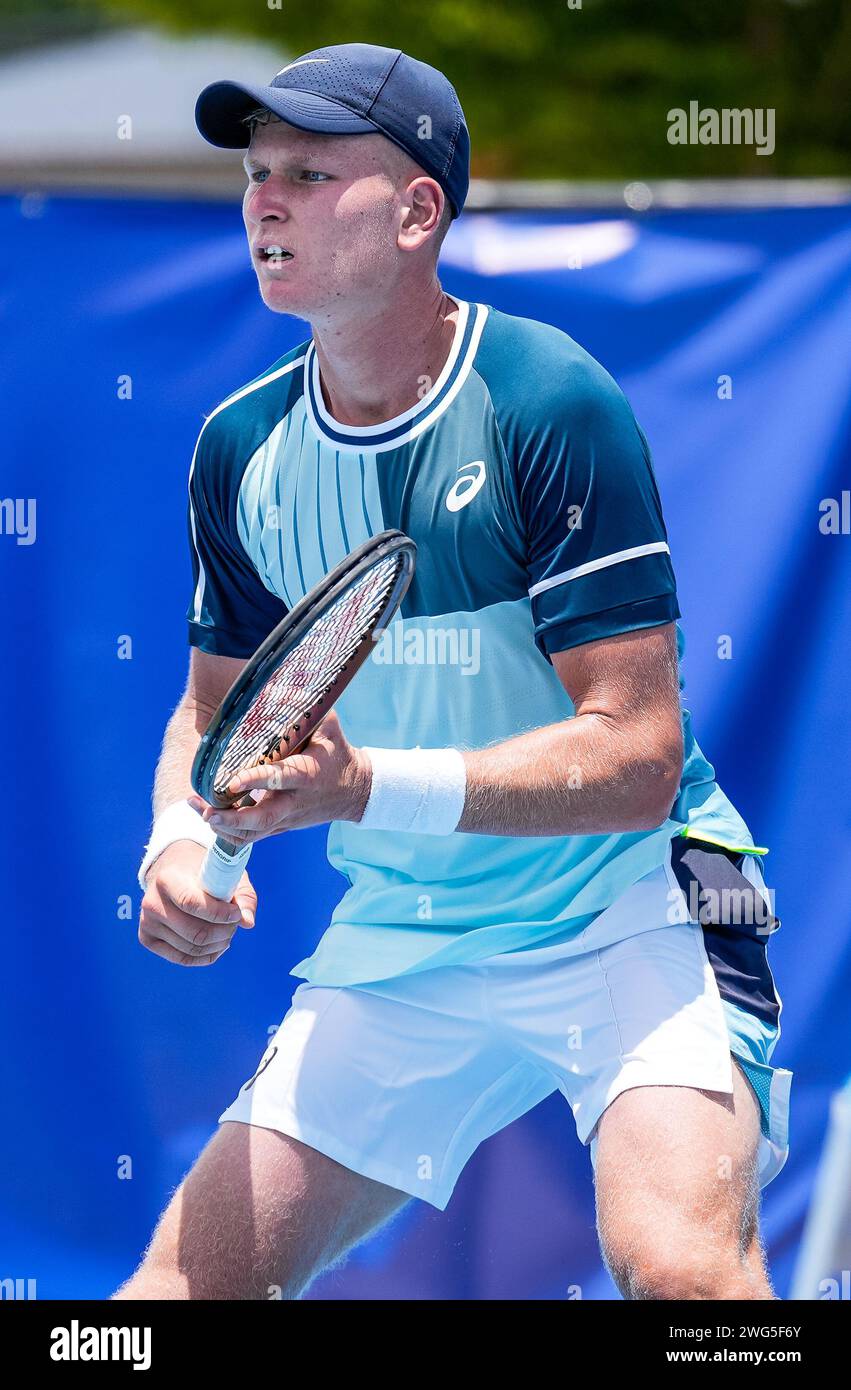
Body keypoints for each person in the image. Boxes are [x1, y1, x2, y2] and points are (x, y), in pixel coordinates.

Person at [115, 42, 790, 1301]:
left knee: (684, 1276)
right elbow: (215, 712)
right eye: (257, 173)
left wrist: (368, 786)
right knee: (158, 1314)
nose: (266, 199)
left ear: (419, 209)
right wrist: (172, 838)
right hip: (408, 937)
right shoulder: (239, 447)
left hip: (630, 907)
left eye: (311, 173)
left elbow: (635, 757)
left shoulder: (545, 400)